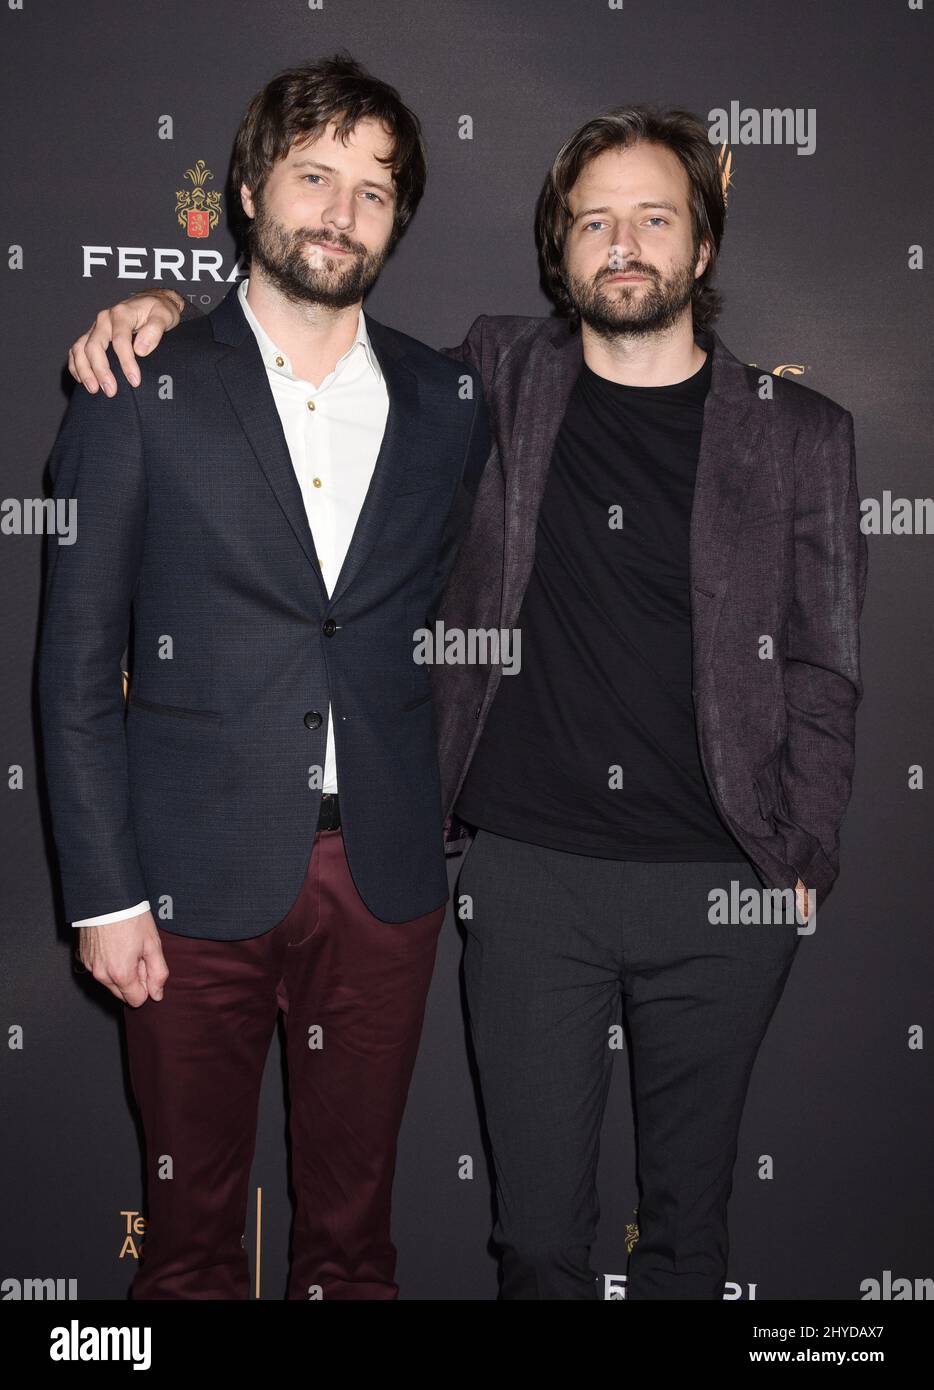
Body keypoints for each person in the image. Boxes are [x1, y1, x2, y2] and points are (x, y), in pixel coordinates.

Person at [65, 105, 867, 1300]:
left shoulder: (799, 433)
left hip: (720, 883)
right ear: (562, 250)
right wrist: (167, 312)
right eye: (595, 221)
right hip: (530, 878)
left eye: (655, 218)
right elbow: (291, 326)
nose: (625, 243)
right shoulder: (494, 377)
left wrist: (803, 841)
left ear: (702, 246)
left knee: (686, 1238)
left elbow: (824, 657)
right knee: (535, 1243)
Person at [39, 55, 489, 1301]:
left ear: (397, 221)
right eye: (313, 176)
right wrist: (102, 893)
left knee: (354, 1246)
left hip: (387, 874)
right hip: (183, 886)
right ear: (248, 189)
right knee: (186, 1254)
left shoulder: (449, 400)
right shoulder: (139, 386)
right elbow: (75, 666)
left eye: (374, 190)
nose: (340, 212)